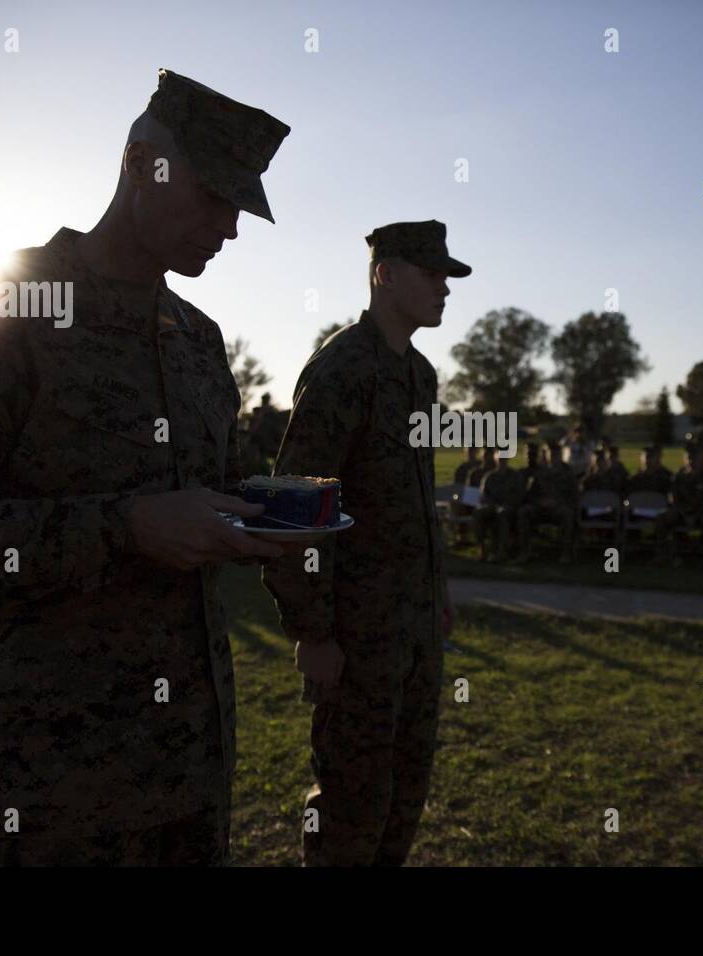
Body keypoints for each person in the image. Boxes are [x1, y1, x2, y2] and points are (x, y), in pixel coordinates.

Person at [0, 69, 290, 866]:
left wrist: (282, 515)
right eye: (213, 197)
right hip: (55, 789)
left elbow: (223, 489)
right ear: (139, 163)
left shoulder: (199, 337)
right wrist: (123, 529)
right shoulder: (1, 302)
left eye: (241, 208)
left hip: (192, 774)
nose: (228, 229)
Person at [262, 219, 471, 866]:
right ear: (385, 274)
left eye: (447, 276)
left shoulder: (420, 375)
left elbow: (410, 501)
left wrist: (435, 595)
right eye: (433, 273)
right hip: (355, 637)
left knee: (403, 800)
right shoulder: (342, 369)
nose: (445, 287)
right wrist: (312, 631)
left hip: (412, 630)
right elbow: (297, 508)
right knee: (352, 808)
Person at [654, 445, 703, 570]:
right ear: (684, 459)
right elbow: (674, 498)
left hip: (702, 512)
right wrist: (685, 513)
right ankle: (665, 555)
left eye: (695, 459)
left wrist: (696, 514)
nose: (691, 462)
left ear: (702, 459)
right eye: (688, 458)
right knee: (663, 517)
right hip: (683, 512)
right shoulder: (679, 476)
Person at [516, 441, 576, 563]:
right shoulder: (538, 473)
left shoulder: (568, 473)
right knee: (524, 512)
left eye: (556, 454)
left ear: (560, 455)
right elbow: (529, 494)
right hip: (540, 509)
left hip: (558, 509)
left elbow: (574, 495)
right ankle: (525, 552)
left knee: (567, 514)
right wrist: (539, 502)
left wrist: (558, 502)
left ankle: (565, 554)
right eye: (551, 454)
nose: (553, 457)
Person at [472, 452, 525, 562]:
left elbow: (519, 495)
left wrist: (508, 503)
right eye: (500, 459)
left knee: (503, 515)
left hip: (508, 507)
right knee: (478, 513)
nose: (502, 461)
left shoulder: (515, 476)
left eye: (504, 459)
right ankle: (482, 548)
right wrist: (491, 504)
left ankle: (501, 551)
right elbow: (483, 495)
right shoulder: (489, 477)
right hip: (492, 506)